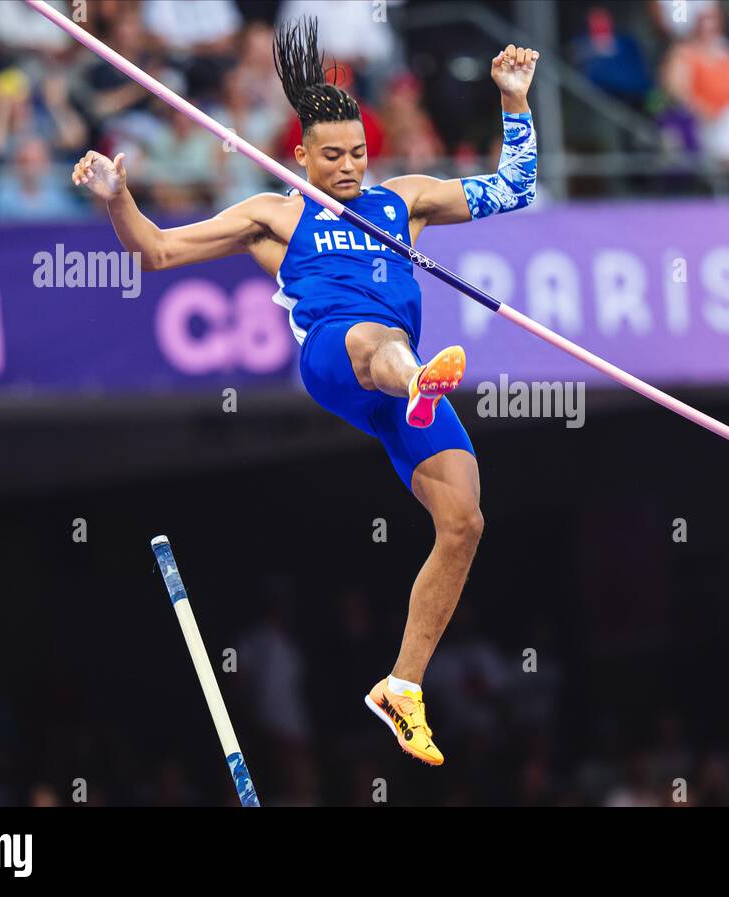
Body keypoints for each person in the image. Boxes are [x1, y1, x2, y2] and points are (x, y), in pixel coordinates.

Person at [72, 19, 539, 766]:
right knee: (373, 339)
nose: (350, 166)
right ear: (301, 156)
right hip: (337, 357)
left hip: (403, 389)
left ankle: (402, 686)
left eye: (357, 151)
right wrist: (117, 196)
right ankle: (417, 380)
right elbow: (155, 251)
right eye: (333, 156)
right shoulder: (274, 216)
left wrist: (513, 101)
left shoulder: (403, 200)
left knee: (464, 520)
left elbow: (516, 187)